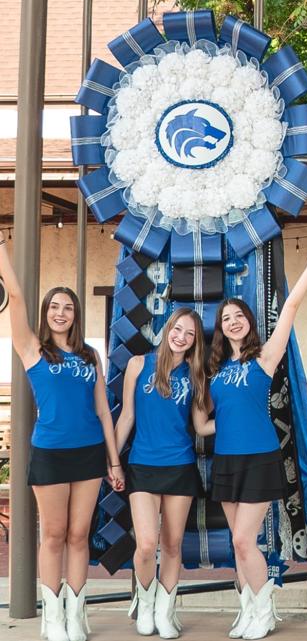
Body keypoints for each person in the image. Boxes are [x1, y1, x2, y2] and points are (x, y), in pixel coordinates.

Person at [193, 248, 307, 640]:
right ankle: (247, 610)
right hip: (226, 462)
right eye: (226, 318)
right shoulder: (216, 371)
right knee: (236, 544)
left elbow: (290, 307)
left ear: (249, 321)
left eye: (238, 316)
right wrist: (222, 424)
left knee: (245, 539)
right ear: (221, 328)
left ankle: (264, 610)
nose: (233, 322)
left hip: (260, 459)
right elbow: (203, 423)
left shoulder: (264, 358)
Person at [0, 234, 123, 641]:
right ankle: (52, 617)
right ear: (45, 313)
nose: (61, 312)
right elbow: (16, 297)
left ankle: (75, 614)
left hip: (89, 454)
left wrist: (114, 461)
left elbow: (103, 411)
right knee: (53, 535)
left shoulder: (89, 356)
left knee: (78, 535)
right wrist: (1, 251)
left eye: (68, 307)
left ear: (76, 315)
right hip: (50, 454)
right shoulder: (32, 349)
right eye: (54, 306)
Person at [114, 308, 209, 638]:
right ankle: (145, 604)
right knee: (145, 545)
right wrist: (112, 462)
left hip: (180, 466)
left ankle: (165, 611)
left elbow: (200, 426)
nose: (181, 337)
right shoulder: (138, 364)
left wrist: (241, 420)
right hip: (143, 465)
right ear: (167, 329)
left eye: (190, 334)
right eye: (177, 329)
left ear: (195, 342)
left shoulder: (195, 375)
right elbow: (127, 417)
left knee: (172, 544)